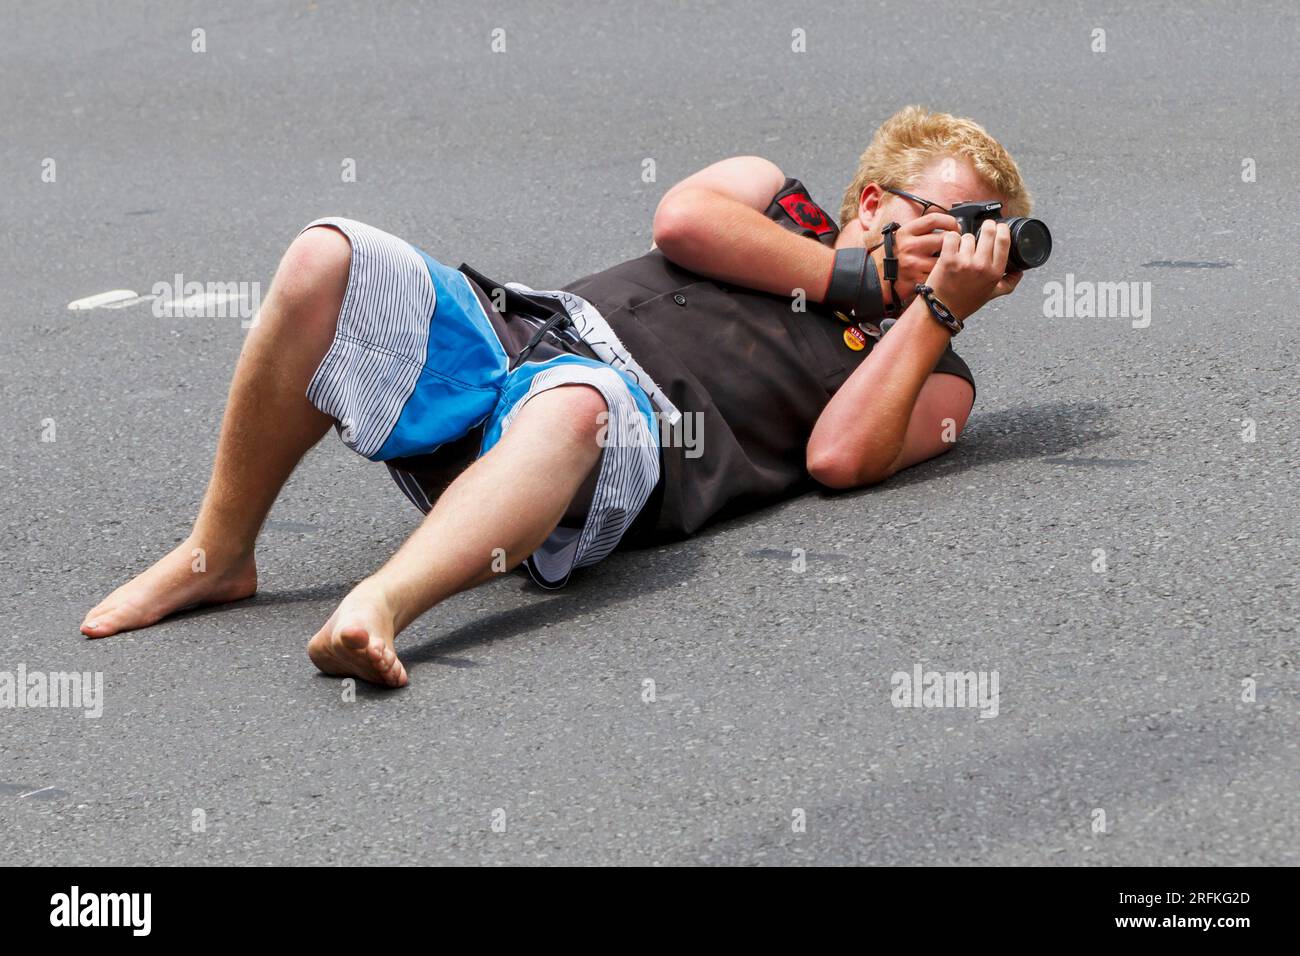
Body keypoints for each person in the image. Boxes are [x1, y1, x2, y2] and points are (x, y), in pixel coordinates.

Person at [80, 106, 1033, 688]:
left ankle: (380, 604)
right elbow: (683, 220)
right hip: (521, 334)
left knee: (582, 400)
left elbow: (838, 456)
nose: (962, 247)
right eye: (949, 223)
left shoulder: (938, 376)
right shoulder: (771, 194)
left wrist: (933, 313)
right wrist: (858, 279)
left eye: (987, 240)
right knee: (327, 254)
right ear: (872, 201)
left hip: (618, 435)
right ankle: (218, 553)